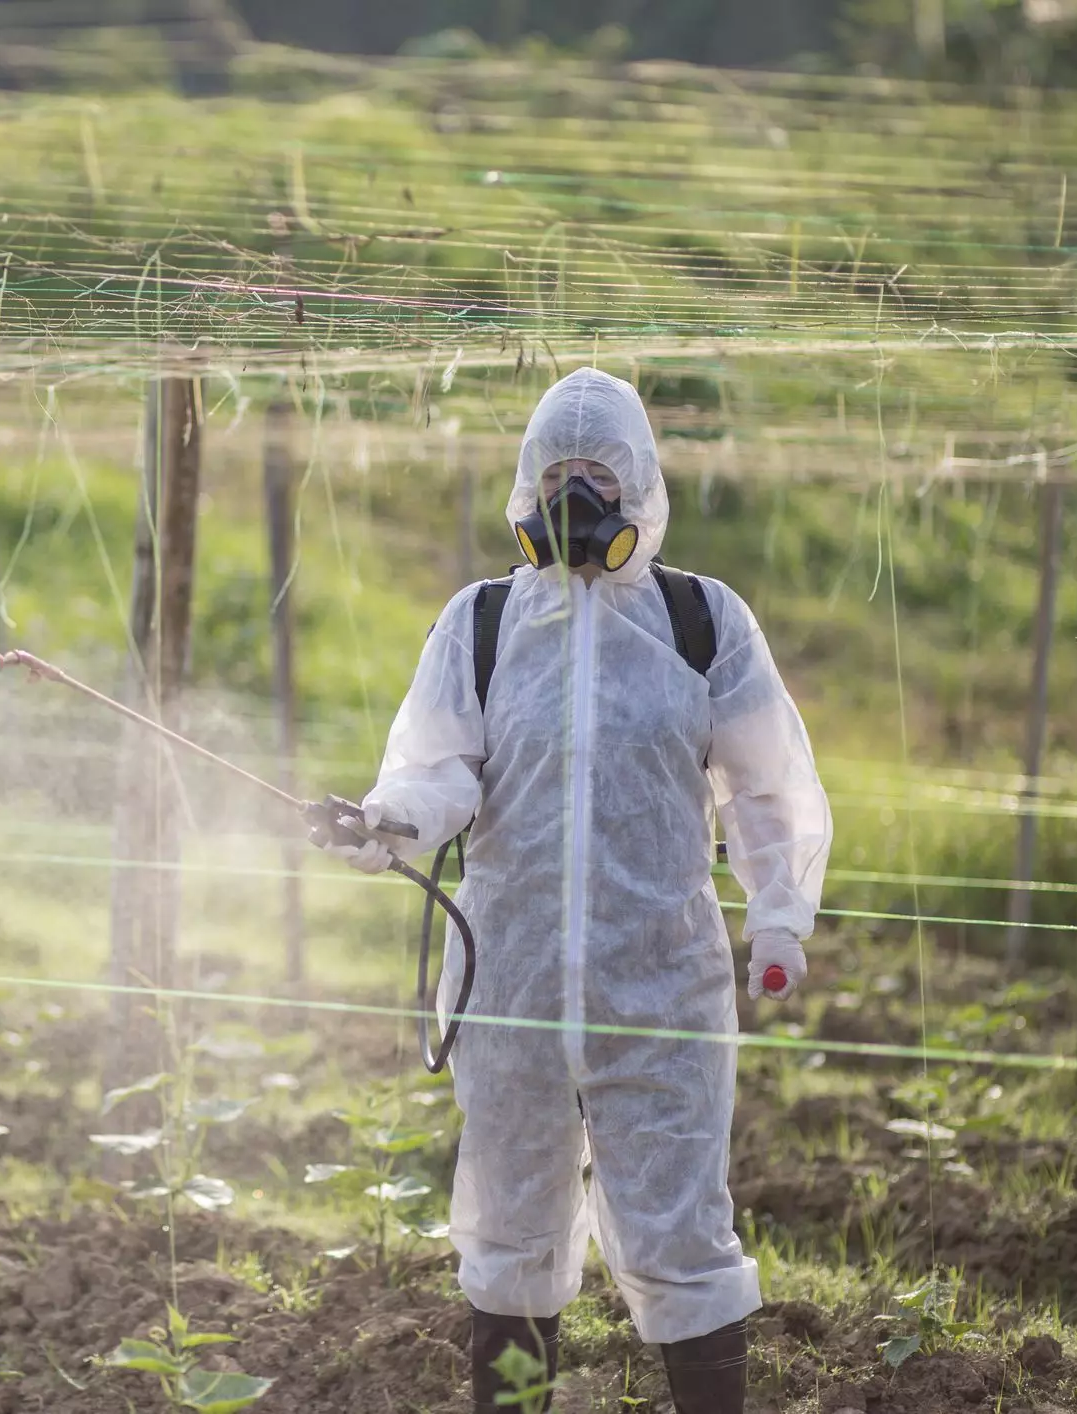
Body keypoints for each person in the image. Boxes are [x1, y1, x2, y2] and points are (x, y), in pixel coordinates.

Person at [320, 368, 831, 1414]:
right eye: (558, 472)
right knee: (510, 1234)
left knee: (684, 1232)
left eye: (599, 472)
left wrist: (778, 915)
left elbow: (768, 784)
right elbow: (438, 767)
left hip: (664, 992)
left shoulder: (702, 620)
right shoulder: (484, 623)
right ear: (526, 487)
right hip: (510, 983)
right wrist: (389, 819)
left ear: (641, 484)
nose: (578, 493)